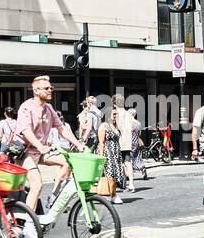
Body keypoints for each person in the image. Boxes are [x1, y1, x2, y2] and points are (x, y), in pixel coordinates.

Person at [16, 75, 84, 212]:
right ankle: (28, 221)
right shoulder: (26, 107)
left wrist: (78, 144)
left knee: (67, 162)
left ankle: (54, 197)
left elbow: (61, 128)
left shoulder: (49, 108)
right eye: (46, 88)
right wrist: (40, 146)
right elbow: (25, 130)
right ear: (36, 90)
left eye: (51, 88)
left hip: (42, 152)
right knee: (37, 185)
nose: (50, 90)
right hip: (25, 152)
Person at [97, 107, 126, 205]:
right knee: (110, 175)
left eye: (116, 114)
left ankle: (113, 194)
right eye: (114, 114)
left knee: (116, 174)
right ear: (108, 114)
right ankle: (113, 195)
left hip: (116, 153)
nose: (115, 116)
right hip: (107, 153)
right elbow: (101, 142)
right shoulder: (104, 126)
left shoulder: (116, 126)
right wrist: (101, 157)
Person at [115, 96, 137, 193]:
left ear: (115, 104)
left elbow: (115, 127)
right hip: (128, 140)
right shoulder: (128, 114)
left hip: (119, 140)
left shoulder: (116, 114)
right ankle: (131, 184)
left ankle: (122, 182)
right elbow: (133, 126)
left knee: (119, 162)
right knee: (128, 162)